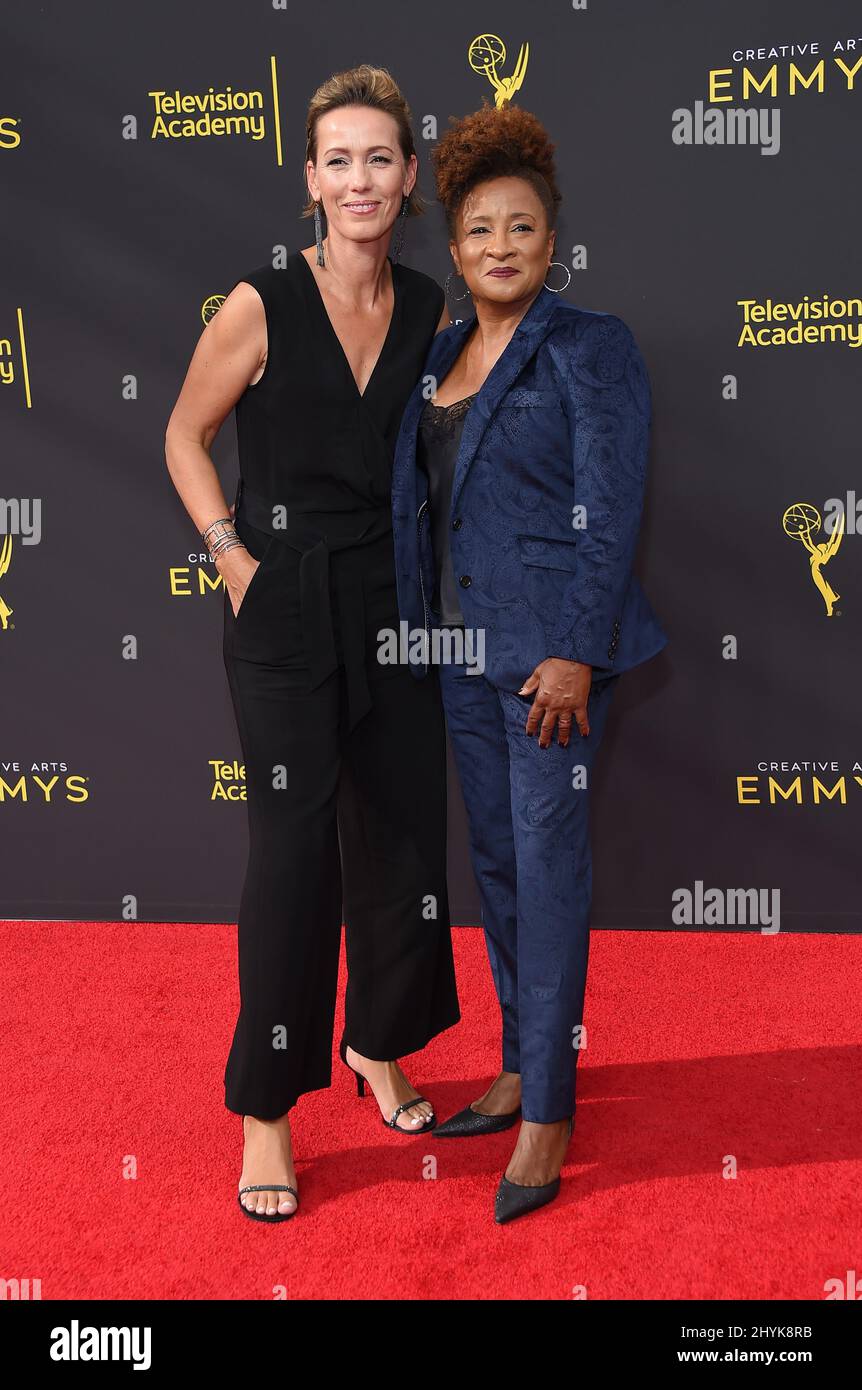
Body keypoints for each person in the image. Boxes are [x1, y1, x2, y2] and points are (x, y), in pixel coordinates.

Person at [165, 64, 460, 1224]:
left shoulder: (432, 306)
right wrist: (232, 559)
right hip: (283, 606)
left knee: (396, 842)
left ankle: (379, 1044)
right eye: (336, 158)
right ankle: (267, 1112)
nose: (359, 178)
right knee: (292, 861)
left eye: (379, 157)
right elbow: (185, 435)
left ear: (409, 176)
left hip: (395, 603)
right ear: (309, 180)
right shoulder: (260, 300)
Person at [391, 102, 668, 1223]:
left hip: (545, 666)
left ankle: (548, 1108)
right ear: (452, 251)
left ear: (551, 244)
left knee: (549, 877)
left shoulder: (590, 345)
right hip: (457, 654)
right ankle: (515, 1064)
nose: (499, 246)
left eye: (520, 228)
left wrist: (573, 652)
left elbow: (613, 512)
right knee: (499, 870)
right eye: (477, 231)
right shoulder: (443, 351)